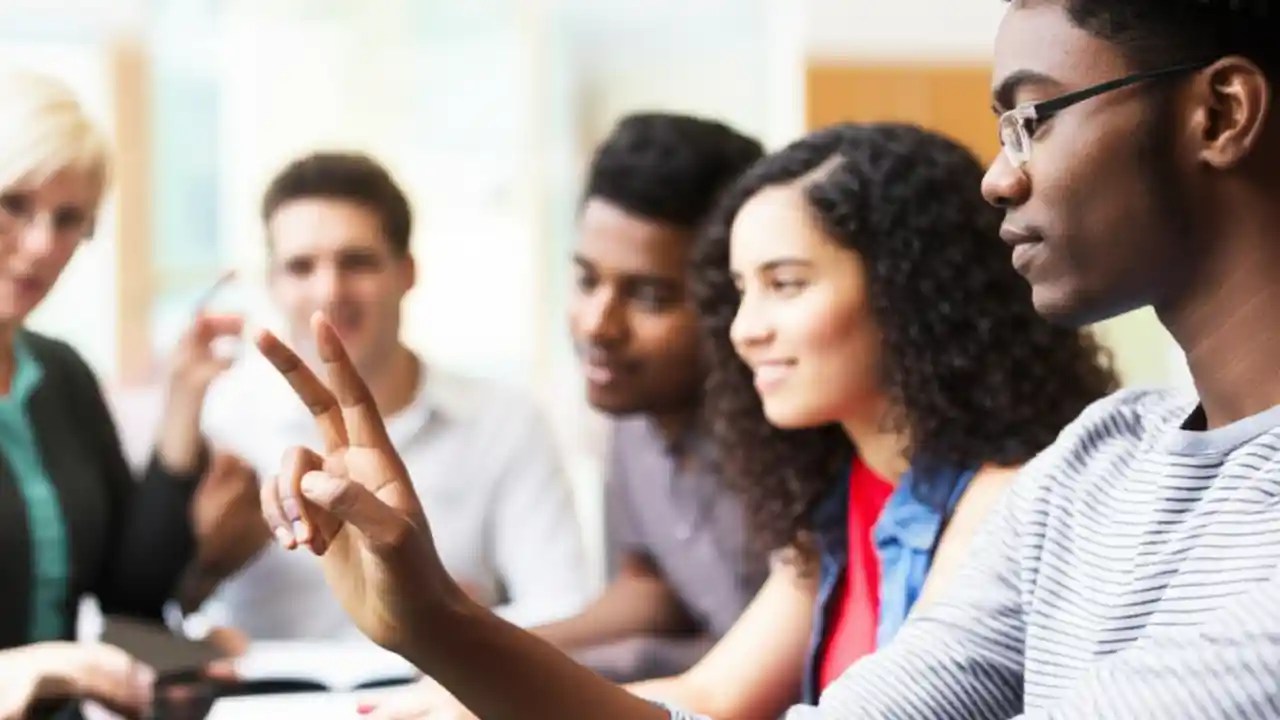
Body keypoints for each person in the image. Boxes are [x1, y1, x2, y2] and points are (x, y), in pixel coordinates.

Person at [261, 0, 1280, 717]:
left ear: (1219, 113)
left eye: (1033, 116)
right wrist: (430, 621)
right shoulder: (1090, 467)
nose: (999, 181)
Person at [359, 122, 1116, 719]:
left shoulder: (1000, 503)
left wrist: (453, 632)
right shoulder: (839, 497)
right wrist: (488, 697)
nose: (744, 329)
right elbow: (714, 696)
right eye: (740, 291)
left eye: (785, 285)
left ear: (910, 296)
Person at [365, 116, 768, 711]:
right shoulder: (631, 411)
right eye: (586, 280)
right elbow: (650, 591)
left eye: (650, 296)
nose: (598, 325)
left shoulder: (793, 434)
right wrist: (477, 654)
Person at [181, 152, 589, 642]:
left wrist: (457, 617)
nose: (330, 290)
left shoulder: (504, 420)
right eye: (301, 266)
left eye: (357, 262)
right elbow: (159, 616)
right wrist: (207, 569)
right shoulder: (224, 417)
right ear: (272, 283)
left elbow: (564, 604)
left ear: (406, 272)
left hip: (440, 700)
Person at [0, 70, 245, 717]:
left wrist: (184, 401)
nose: (40, 246)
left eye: (69, 220)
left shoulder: (60, 375)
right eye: (13, 204)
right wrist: (31, 665)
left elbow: (129, 594)